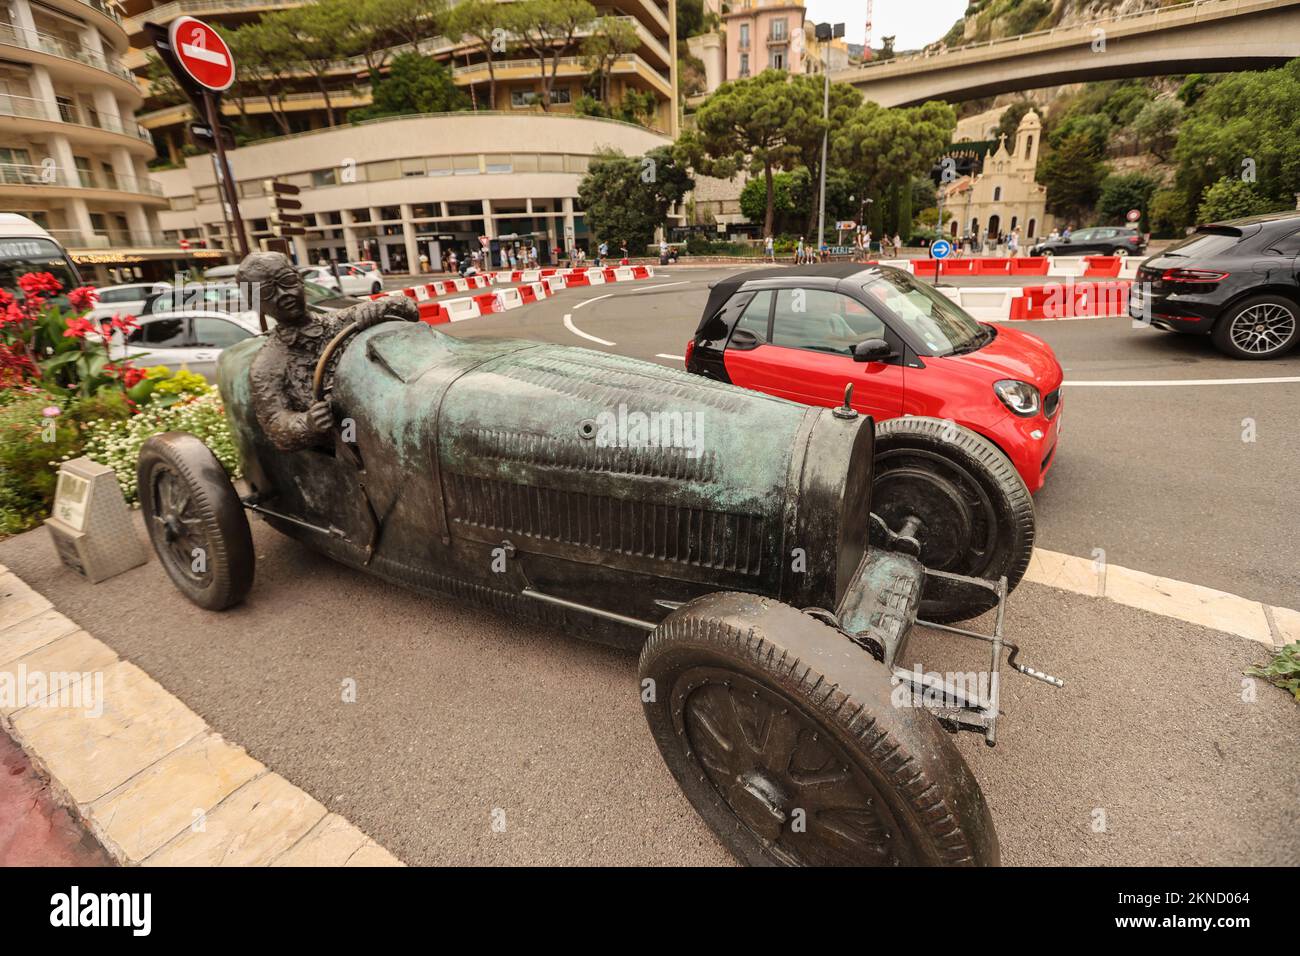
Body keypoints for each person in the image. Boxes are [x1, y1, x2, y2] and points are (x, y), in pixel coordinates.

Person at [242, 252, 420, 453]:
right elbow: (276, 425)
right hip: (346, 447)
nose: (283, 294)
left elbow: (409, 309)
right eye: (267, 292)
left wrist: (381, 307)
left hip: (393, 419)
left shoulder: (345, 320)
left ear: (300, 281)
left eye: (287, 281)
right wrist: (308, 423)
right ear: (254, 303)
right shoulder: (266, 365)